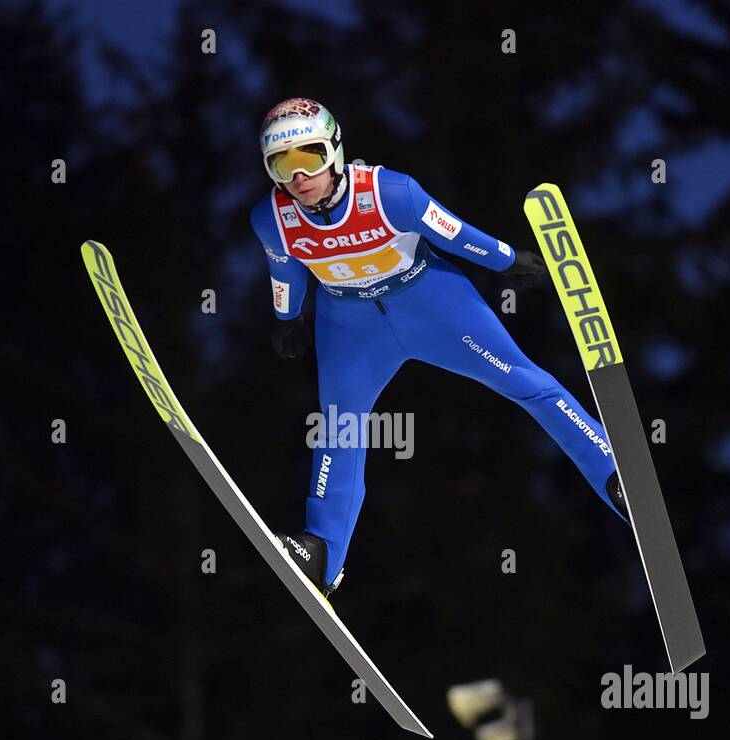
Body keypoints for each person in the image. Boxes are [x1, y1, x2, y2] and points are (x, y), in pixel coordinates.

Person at [250, 97, 626, 596]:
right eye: (283, 166)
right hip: (349, 325)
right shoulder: (271, 217)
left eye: (310, 158)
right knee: (338, 426)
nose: (300, 177)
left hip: (430, 303)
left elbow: (454, 233)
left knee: (523, 381)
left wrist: (510, 262)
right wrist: (287, 317)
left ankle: (612, 472)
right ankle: (322, 553)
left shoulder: (391, 193)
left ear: (335, 151)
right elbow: (285, 267)